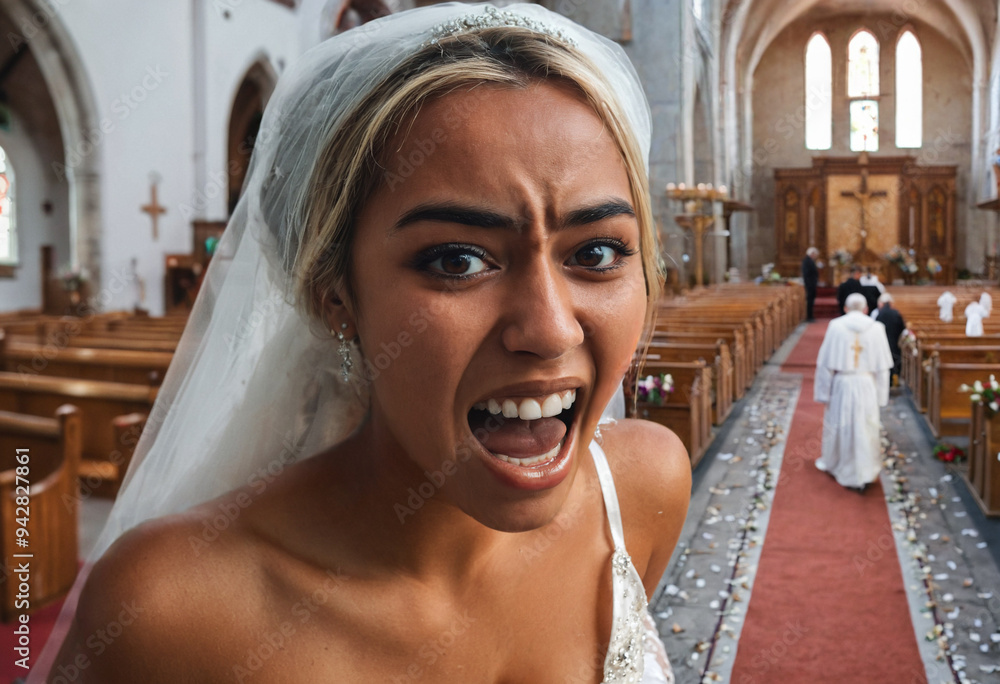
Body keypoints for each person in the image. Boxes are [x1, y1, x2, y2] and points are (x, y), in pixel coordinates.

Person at [38, 6, 691, 683]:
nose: (552, 329)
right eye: (457, 260)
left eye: (597, 250)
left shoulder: (646, 489)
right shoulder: (170, 614)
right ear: (334, 294)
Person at [814, 293, 893, 491]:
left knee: (841, 425)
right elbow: (883, 367)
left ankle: (839, 463)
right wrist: (882, 397)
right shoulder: (876, 328)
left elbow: (824, 364)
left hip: (842, 383)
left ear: (846, 308)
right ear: (866, 309)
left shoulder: (836, 326)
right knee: (866, 426)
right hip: (867, 384)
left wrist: (824, 394)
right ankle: (865, 469)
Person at [870, 293, 906, 385]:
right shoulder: (896, 313)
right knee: (894, 360)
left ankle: (886, 381)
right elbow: (902, 328)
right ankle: (895, 378)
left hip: (882, 342)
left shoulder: (879, 314)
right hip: (894, 342)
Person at [801, 247, 820, 321]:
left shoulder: (810, 261)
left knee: (811, 300)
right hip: (809, 284)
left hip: (811, 283)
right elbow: (807, 274)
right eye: (815, 254)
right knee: (809, 300)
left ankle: (810, 316)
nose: (816, 256)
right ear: (812, 254)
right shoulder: (807, 261)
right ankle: (809, 316)